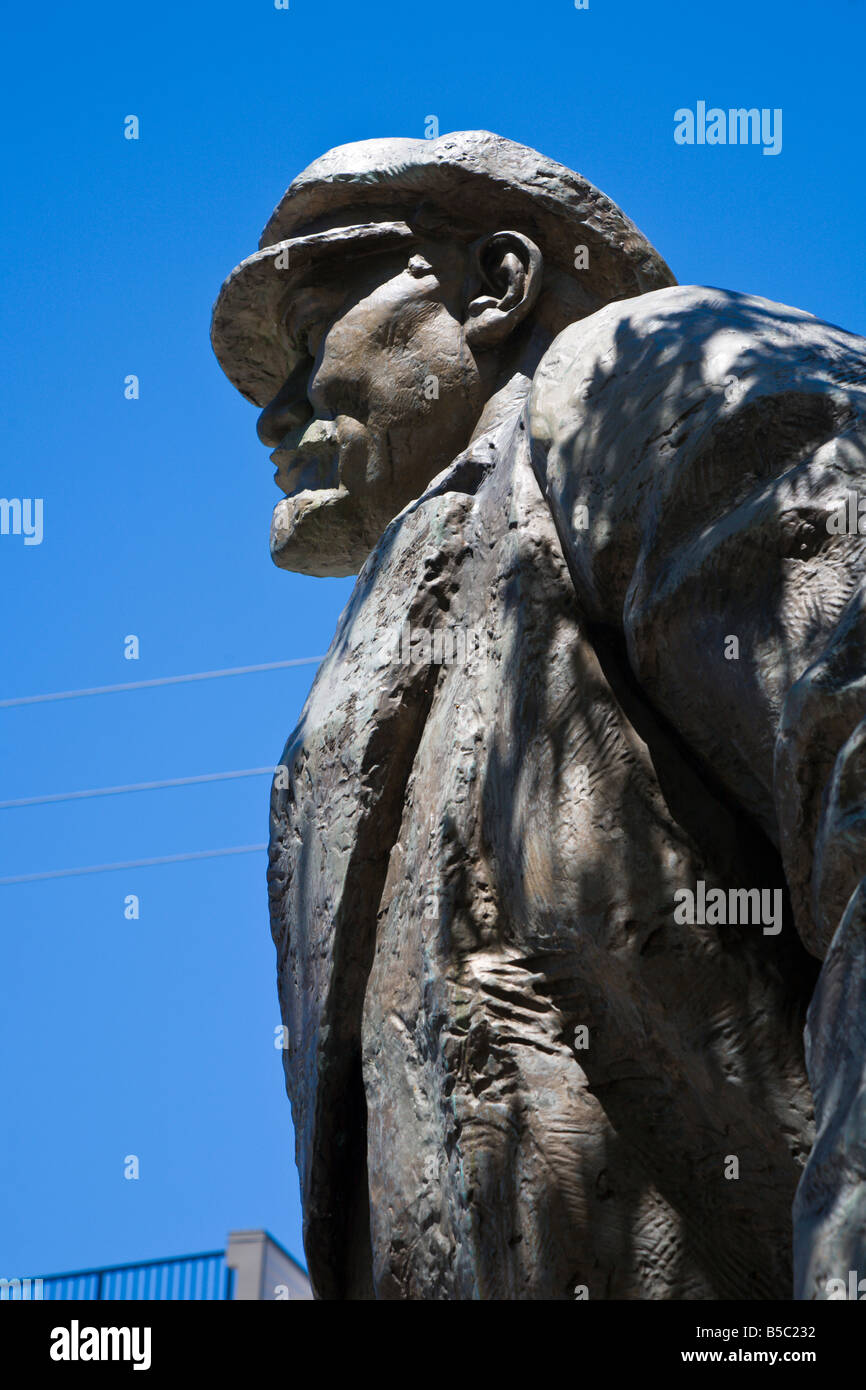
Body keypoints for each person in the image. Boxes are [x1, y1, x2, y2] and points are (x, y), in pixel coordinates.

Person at [211, 130, 866, 1300]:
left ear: (495, 285)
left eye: (312, 338)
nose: (275, 413)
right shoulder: (391, 630)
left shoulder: (634, 377)